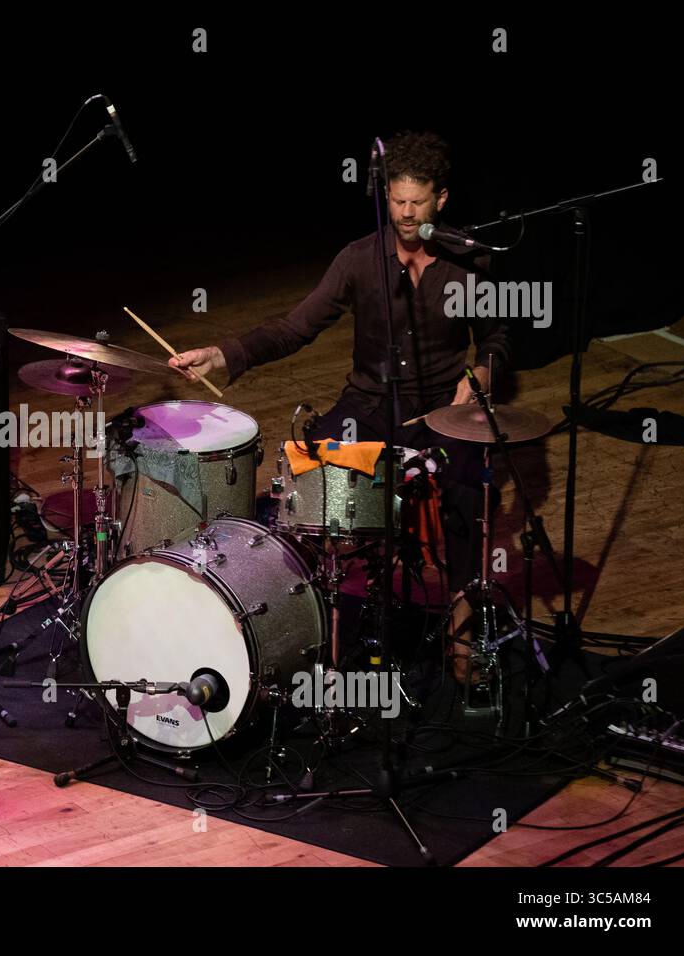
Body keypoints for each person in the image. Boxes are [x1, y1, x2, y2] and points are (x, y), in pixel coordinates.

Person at [170, 131, 509, 685]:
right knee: (307, 473)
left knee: (467, 486)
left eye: (416, 202)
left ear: (440, 200)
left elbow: (497, 337)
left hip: (442, 408)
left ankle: (462, 629)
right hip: (369, 405)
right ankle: (291, 621)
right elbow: (294, 328)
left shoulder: (468, 262)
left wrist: (482, 375)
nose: (404, 213)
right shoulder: (358, 260)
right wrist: (225, 355)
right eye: (396, 200)